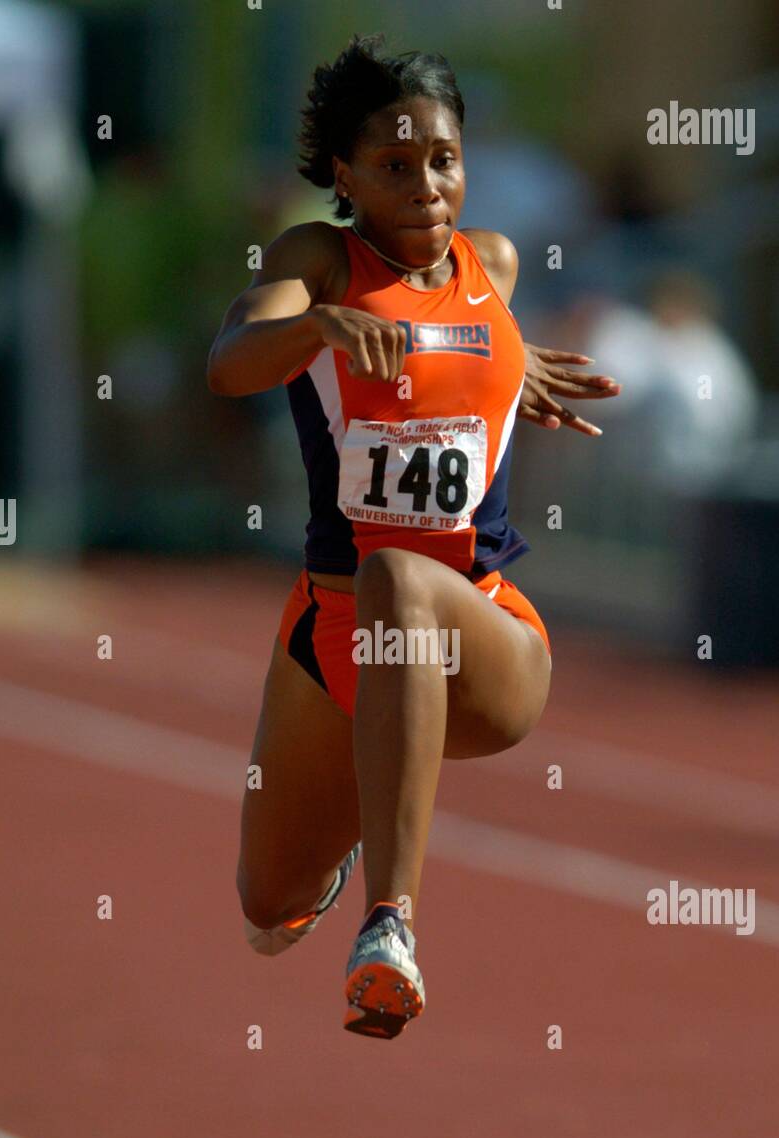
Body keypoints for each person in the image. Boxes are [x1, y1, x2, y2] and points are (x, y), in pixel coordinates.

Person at [207, 34, 621, 1040]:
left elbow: (460, 349)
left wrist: (514, 368)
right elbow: (229, 362)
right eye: (396, 165)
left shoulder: (498, 265)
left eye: (444, 158)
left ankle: (389, 925)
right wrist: (320, 328)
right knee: (265, 908)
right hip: (332, 635)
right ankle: (367, 784)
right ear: (344, 174)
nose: (429, 186)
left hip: (480, 626)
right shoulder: (317, 260)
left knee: (399, 573)